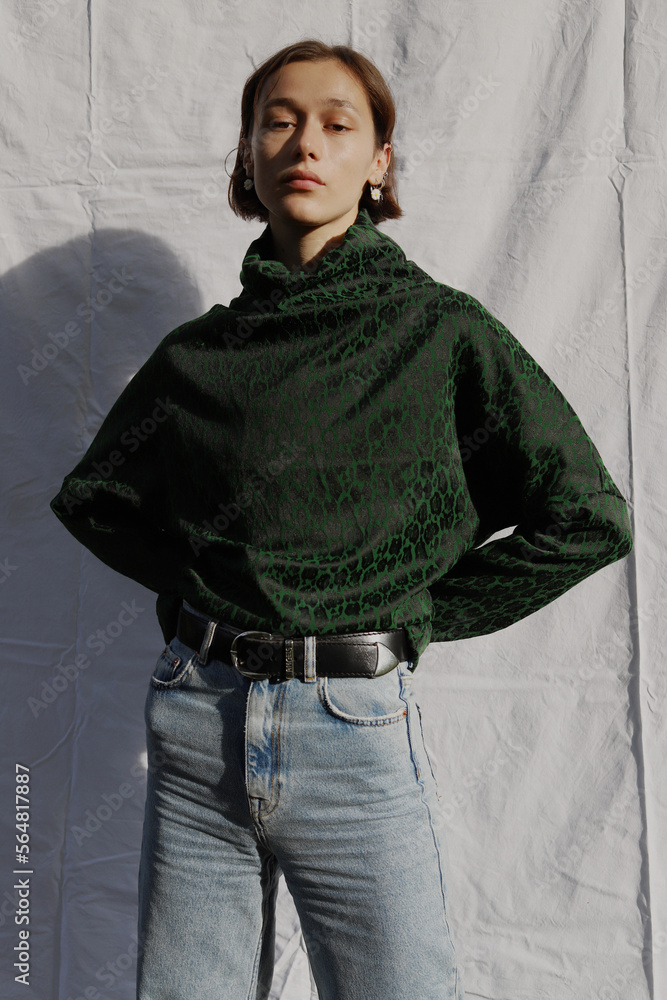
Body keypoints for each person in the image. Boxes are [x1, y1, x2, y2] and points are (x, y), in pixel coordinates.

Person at [50, 38, 633, 1000]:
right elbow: (93, 500)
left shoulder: (437, 331)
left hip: (352, 729)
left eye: (335, 124)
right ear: (247, 157)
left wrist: (419, 610)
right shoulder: (200, 356)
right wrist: (204, 580)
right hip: (198, 720)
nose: (302, 144)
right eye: (276, 122)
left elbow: (585, 517)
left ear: (379, 164)